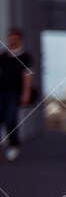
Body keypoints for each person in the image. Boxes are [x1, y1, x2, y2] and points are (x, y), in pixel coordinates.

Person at [0, 29, 34, 161]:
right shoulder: (3, 56)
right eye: (9, 38)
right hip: (1, 91)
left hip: (15, 93)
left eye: (14, 38)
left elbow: (27, 76)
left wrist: (26, 94)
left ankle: (13, 145)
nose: (11, 41)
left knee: (10, 119)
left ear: (19, 39)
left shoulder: (26, 57)